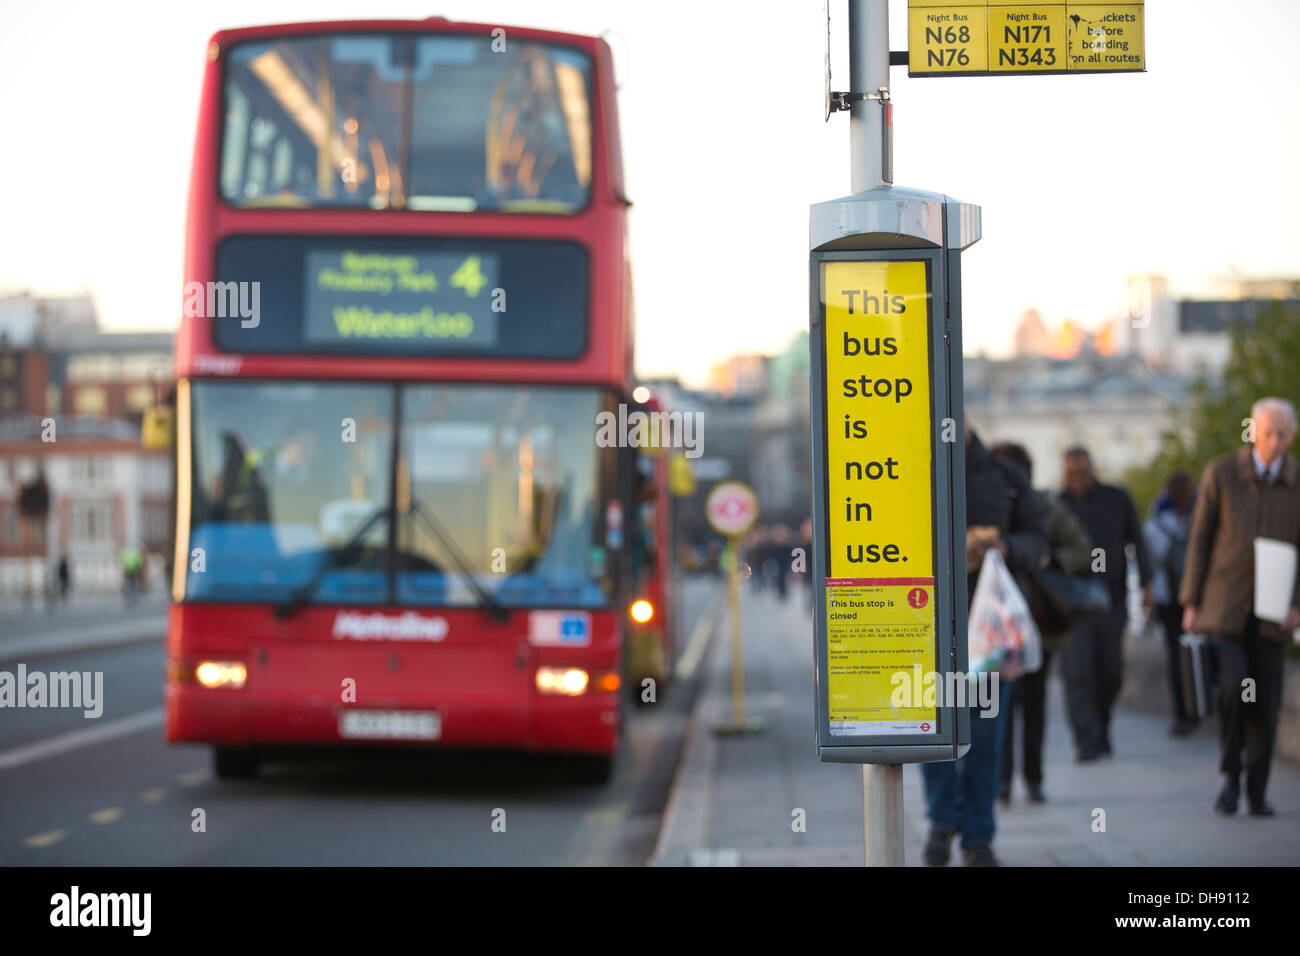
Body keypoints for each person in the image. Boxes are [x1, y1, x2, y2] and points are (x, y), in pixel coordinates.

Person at [922, 426, 1049, 867]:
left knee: (985, 737)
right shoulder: (914, 465)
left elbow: (1039, 542)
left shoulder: (1006, 476)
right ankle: (942, 822)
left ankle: (978, 836)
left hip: (990, 636)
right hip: (930, 626)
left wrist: (1003, 546)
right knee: (932, 733)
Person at [1179, 398, 1300, 818]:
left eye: (1283, 434)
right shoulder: (1223, 472)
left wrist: (1297, 605)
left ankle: (1257, 789)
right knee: (1234, 687)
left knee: (1265, 700)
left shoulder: (1296, 478)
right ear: (1254, 431)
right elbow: (1200, 538)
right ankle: (1231, 776)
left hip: (1272, 611)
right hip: (1225, 607)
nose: (1275, 442)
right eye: (1268, 433)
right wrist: (1191, 600)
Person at [991, 442, 1092, 805]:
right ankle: (1002, 782)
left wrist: (1048, 559)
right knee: (1002, 707)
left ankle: (1032, 778)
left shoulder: (1046, 509)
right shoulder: (987, 510)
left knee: (1032, 706)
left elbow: (1084, 551)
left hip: (1040, 627)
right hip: (999, 633)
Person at [1059, 446, 1153, 761]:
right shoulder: (1056, 505)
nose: (1078, 479)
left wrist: (1147, 585)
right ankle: (1087, 741)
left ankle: (1101, 727)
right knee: (1078, 673)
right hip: (1072, 608)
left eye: (1083, 472)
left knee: (1110, 671)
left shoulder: (1117, 499)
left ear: (1093, 469)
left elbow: (1137, 541)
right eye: (1072, 474)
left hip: (1112, 601)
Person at [1143, 472, 1199, 736]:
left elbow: (1149, 563)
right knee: (1195, 655)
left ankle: (1183, 715)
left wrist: (1149, 595)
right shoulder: (1200, 519)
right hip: (1196, 599)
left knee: (1177, 657)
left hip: (1169, 598)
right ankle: (1195, 710)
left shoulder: (1156, 523)